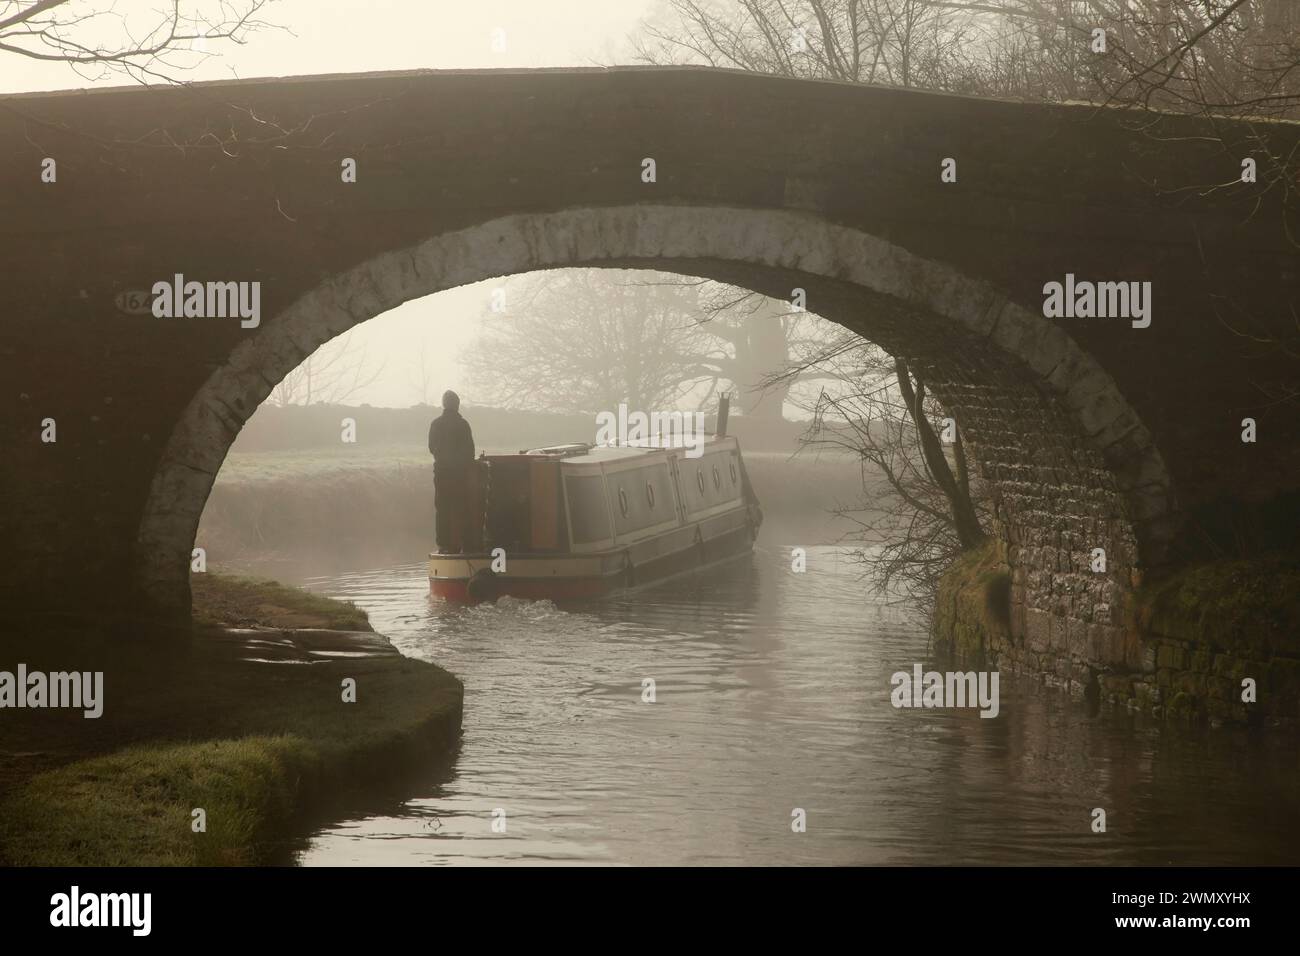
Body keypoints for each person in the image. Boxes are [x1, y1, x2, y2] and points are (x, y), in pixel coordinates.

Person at [428, 390, 476, 553]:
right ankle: (467, 543)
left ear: (444, 404)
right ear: (457, 405)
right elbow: (470, 451)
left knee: (442, 508)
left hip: (441, 473)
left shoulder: (436, 424)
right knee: (463, 507)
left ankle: (444, 544)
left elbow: (431, 448)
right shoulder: (463, 425)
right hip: (460, 475)